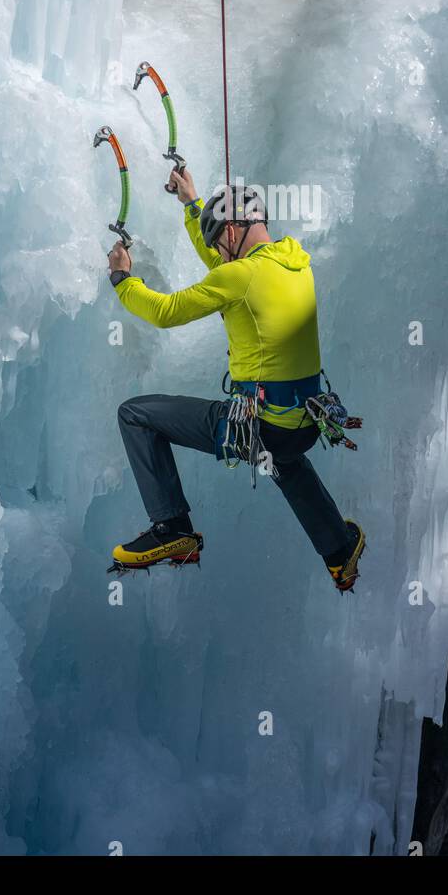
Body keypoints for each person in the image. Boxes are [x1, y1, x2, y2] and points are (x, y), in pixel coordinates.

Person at [106, 167, 364, 591]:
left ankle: (173, 529)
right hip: (303, 426)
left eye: (218, 244)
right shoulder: (295, 263)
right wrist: (192, 206)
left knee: (135, 414)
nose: (218, 256)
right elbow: (227, 269)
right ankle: (339, 549)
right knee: (286, 461)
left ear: (230, 231)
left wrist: (122, 280)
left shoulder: (238, 275)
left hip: (261, 426)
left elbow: (166, 312)